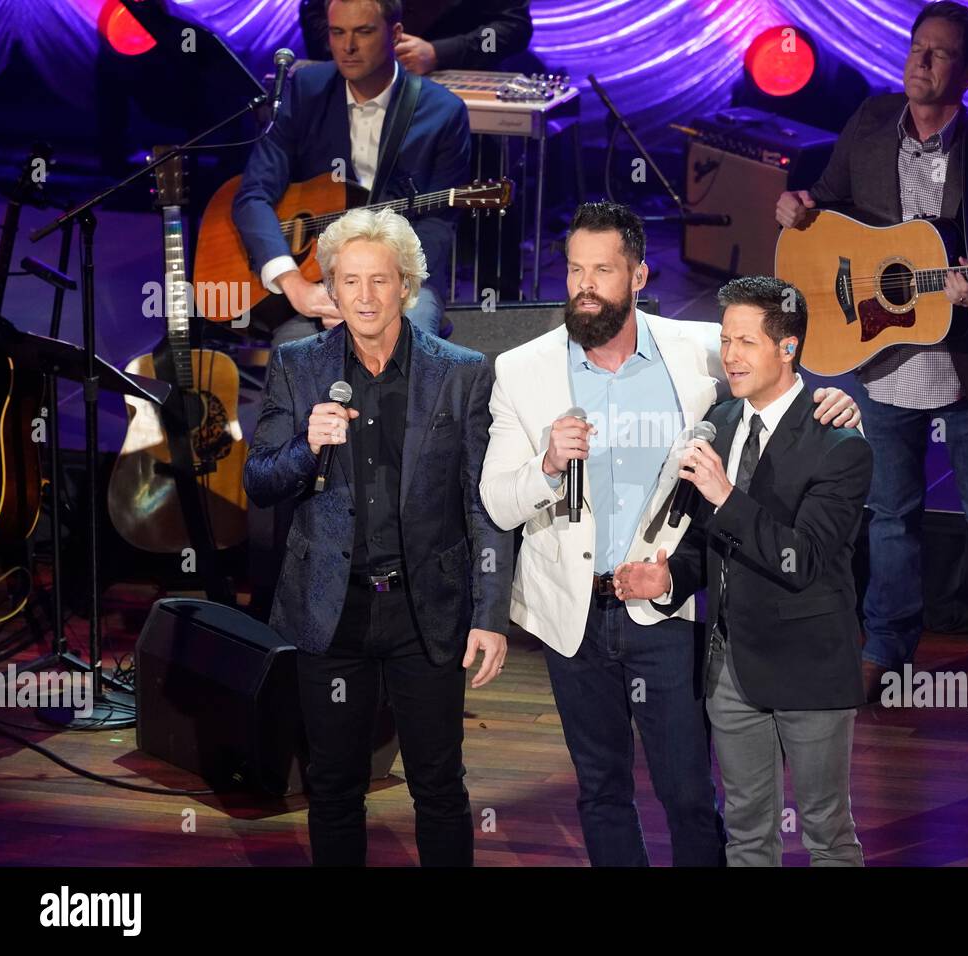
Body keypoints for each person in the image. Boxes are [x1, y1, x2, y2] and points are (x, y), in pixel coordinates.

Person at [478, 201, 859, 866]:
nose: (585, 285)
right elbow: (498, 503)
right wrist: (543, 465)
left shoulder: (698, 351)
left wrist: (834, 396)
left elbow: (775, 364)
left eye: (603, 270)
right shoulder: (521, 369)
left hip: (664, 610)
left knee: (688, 792)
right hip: (571, 613)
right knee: (600, 791)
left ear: (640, 275)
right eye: (574, 270)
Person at [776, 0, 968, 719]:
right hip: (879, 358)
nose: (919, 62)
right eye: (915, 48)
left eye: (939, 54)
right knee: (890, 516)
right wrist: (799, 209)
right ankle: (884, 650)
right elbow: (829, 204)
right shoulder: (869, 122)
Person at [243, 206, 512, 866]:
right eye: (349, 281)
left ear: (406, 285)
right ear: (330, 288)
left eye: (379, 280)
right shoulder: (298, 366)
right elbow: (260, 480)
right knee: (333, 788)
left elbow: (486, 506)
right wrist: (307, 448)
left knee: (439, 787)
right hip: (332, 610)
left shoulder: (462, 371)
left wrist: (490, 613)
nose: (364, 297)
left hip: (427, 612)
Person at [615, 276, 872, 866]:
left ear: (788, 348)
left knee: (826, 834)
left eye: (746, 341)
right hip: (731, 670)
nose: (729, 354)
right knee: (747, 836)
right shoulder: (723, 422)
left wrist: (726, 494)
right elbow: (710, 537)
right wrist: (672, 578)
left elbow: (801, 559)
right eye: (726, 339)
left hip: (809, 665)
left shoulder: (839, 440)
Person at [233, 0, 470, 348]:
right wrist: (293, 283)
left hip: (401, 282)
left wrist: (375, 291)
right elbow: (253, 196)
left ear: (395, 34)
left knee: (405, 343)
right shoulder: (305, 90)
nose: (348, 47)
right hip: (314, 278)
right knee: (294, 352)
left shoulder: (443, 113)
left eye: (364, 32)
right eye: (337, 32)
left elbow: (438, 227)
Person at [299, 0, 534, 74]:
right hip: (354, 98)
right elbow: (315, 13)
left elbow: (511, 28)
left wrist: (439, 53)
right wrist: (361, 50)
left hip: (458, 106)